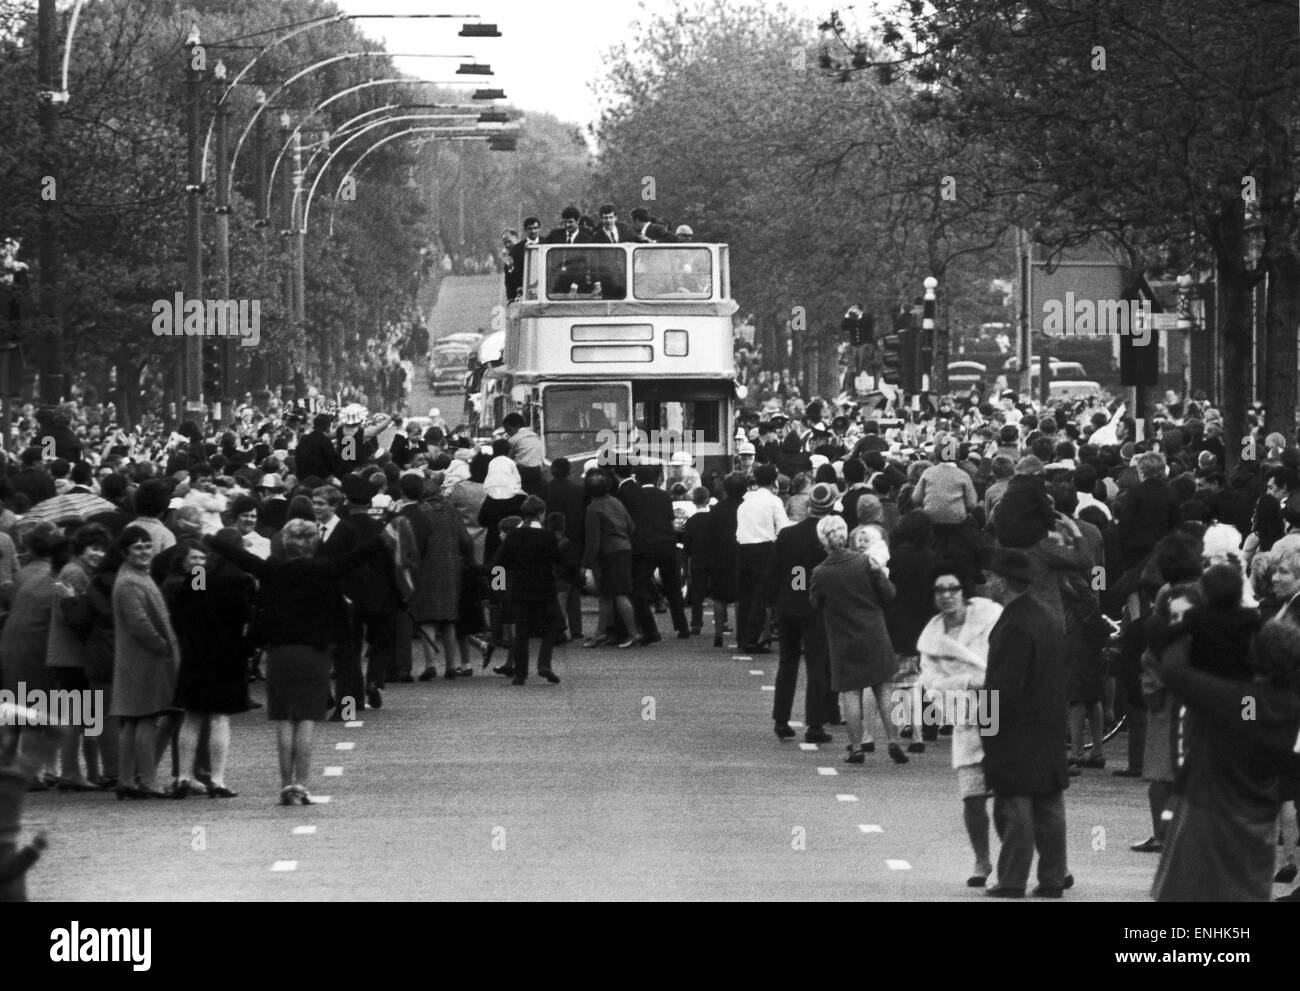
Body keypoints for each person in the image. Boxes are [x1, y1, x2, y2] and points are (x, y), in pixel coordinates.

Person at [209, 520, 376, 804]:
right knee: (306, 720)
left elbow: (242, 557)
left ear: (285, 543)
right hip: (315, 653)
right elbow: (361, 554)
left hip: (279, 653)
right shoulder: (326, 569)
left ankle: (285, 783)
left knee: (284, 720)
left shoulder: (272, 570)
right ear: (314, 543)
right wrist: (390, 533)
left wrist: (208, 537)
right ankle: (302, 783)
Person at [1152, 619, 1300, 901]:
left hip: (1212, 812)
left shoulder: (1243, 699)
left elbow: (1174, 673)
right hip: (1259, 817)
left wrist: (1186, 624)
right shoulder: (1290, 706)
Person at [981, 547, 1072, 898]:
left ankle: (1011, 879)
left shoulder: (1013, 624)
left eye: (990, 578)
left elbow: (1002, 688)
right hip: (1048, 720)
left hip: (1017, 728)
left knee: (1013, 804)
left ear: (1003, 583)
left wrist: (987, 730)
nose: (987, 584)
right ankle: (1052, 876)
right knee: (1049, 803)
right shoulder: (1045, 615)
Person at [917, 561, 1003, 887]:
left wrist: (986, 685)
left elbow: (1006, 658)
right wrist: (968, 684)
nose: (947, 595)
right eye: (940, 590)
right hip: (965, 718)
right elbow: (932, 685)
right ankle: (981, 859)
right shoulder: (931, 639)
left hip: (1000, 710)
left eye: (953, 588)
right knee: (972, 796)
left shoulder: (991, 617)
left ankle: (1014, 859)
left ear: (963, 591)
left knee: (1009, 794)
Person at [809, 514, 904, 765]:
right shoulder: (865, 562)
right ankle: (893, 740)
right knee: (883, 689)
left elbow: (815, 603)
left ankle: (856, 747)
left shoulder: (820, 573)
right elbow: (889, 593)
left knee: (850, 693)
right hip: (874, 631)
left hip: (842, 637)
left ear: (823, 541)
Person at [164, 535, 254, 798]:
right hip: (226, 655)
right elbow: (243, 616)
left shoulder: (199, 578)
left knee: (192, 716)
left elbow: (187, 607)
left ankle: (183, 776)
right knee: (219, 718)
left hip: (195, 652)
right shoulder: (238, 579)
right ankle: (217, 779)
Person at [110, 525, 181, 799]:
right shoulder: (131, 580)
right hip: (145, 657)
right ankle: (148, 779)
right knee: (145, 718)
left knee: (133, 719)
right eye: (138, 548)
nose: (144, 552)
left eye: (147, 546)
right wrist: (162, 646)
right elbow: (139, 623)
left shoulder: (136, 575)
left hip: (138, 656)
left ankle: (128, 779)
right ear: (125, 553)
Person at [1131, 582, 1202, 853]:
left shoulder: (1159, 638)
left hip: (1166, 710)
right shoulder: (1198, 637)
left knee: (1162, 778)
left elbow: (1152, 672)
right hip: (1184, 709)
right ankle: (1175, 833)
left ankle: (1164, 834)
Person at [770, 482, 839, 744]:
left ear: (809, 505)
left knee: (787, 663)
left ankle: (781, 719)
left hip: (788, 603)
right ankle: (815, 723)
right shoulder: (829, 537)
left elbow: (776, 571)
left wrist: (773, 602)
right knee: (817, 665)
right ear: (831, 506)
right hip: (816, 606)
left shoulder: (788, 534)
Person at [46, 524, 111, 792]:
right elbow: (75, 615)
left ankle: (89, 772)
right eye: (93, 549)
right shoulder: (76, 572)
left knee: (85, 717)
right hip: (73, 654)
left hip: (70, 654)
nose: (98, 554)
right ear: (81, 548)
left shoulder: (76, 570)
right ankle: (72, 772)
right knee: (77, 717)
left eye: (102, 550)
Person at [0, 526, 66, 789]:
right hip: (38, 649)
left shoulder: (23, 576)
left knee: (15, 711)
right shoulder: (51, 579)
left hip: (13, 645)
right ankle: (40, 771)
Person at [496, 495, 562, 684]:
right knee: (552, 625)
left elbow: (499, 563)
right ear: (541, 513)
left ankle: (520, 674)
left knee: (522, 631)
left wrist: (498, 588)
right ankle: (544, 664)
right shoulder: (547, 535)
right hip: (544, 588)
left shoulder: (514, 536)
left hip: (519, 589)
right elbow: (558, 560)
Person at [581, 471, 639, 649]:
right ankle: (601, 633)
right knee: (607, 594)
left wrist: (585, 564)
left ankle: (633, 633)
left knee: (617, 593)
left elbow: (593, 540)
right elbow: (631, 526)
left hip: (608, 553)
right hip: (624, 547)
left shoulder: (593, 508)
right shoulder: (616, 502)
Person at [735, 464, 789, 652]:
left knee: (745, 597)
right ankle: (752, 639)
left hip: (743, 549)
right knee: (761, 597)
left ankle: (741, 637)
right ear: (775, 481)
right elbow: (783, 528)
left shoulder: (745, 501)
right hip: (765, 549)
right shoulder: (774, 501)